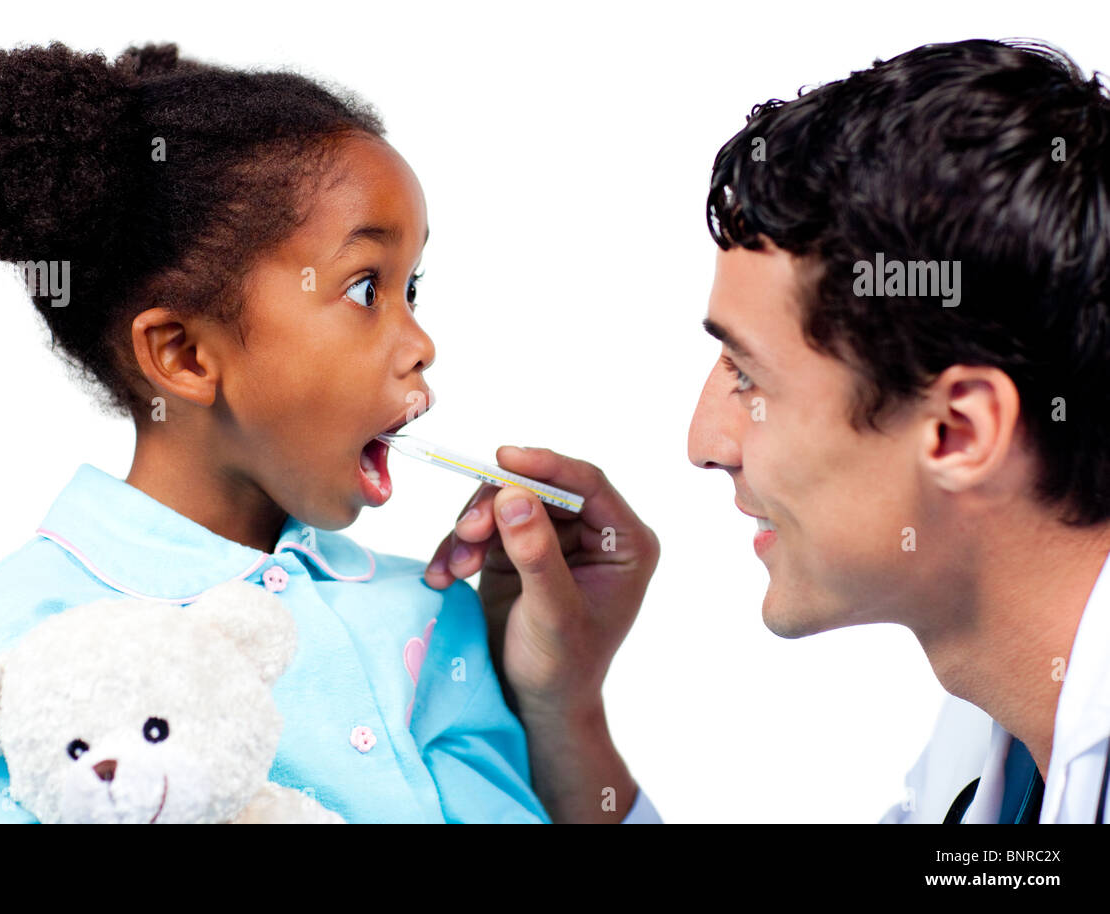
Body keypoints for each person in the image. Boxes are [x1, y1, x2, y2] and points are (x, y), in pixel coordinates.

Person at [433, 38, 1110, 823]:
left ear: (958, 432)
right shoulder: (989, 754)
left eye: (748, 376)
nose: (705, 444)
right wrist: (564, 709)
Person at [0, 41, 558, 823]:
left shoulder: (429, 614)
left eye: (414, 288)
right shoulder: (1, 645)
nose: (422, 344)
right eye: (368, 287)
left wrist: (562, 694)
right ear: (185, 355)